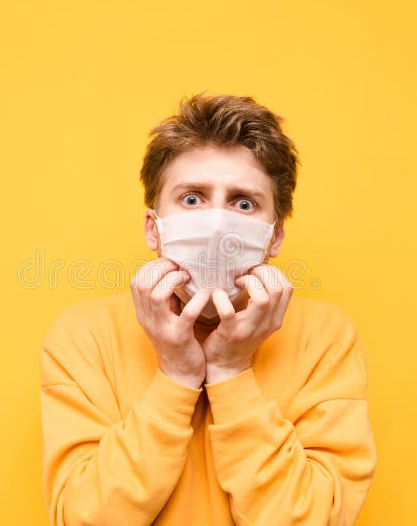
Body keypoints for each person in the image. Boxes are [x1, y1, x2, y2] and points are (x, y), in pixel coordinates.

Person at [40, 93, 377, 525]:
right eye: (193, 199)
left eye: (243, 203)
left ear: (274, 238)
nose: (217, 224)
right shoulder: (84, 333)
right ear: (153, 227)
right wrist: (176, 375)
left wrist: (232, 371)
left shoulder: (325, 337)